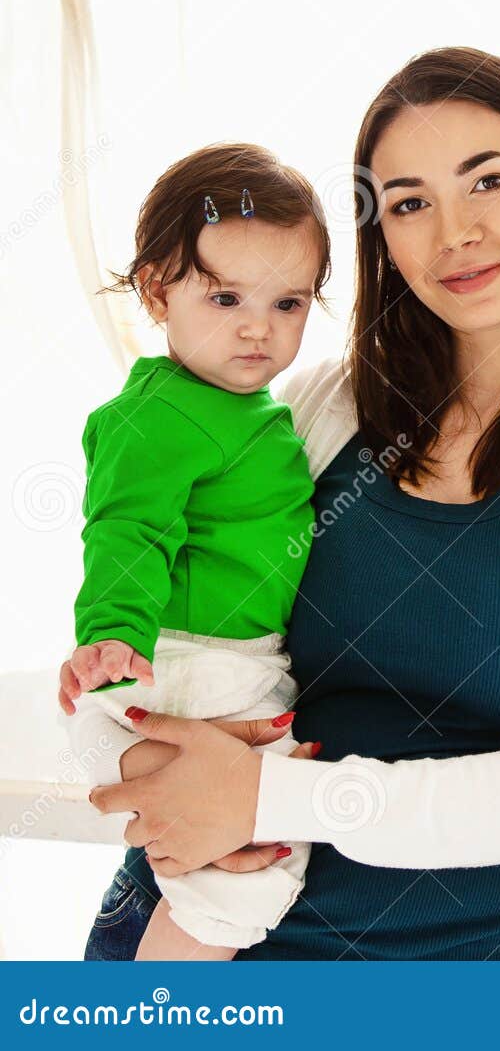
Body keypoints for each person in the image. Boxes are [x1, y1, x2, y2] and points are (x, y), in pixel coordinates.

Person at [74, 48, 500, 960]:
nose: (456, 232)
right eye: (410, 203)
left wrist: (268, 797)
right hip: (180, 941)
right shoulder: (315, 410)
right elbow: (149, 646)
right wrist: (137, 755)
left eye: (488, 181)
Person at [62, 143, 329, 958]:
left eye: (288, 302)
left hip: (226, 658)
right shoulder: (162, 414)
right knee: (247, 874)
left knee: (250, 842)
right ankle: (164, 1005)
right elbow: (125, 528)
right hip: (198, 661)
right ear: (156, 291)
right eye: (225, 296)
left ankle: (129, 760)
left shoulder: (239, 405)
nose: (258, 326)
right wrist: (112, 631)